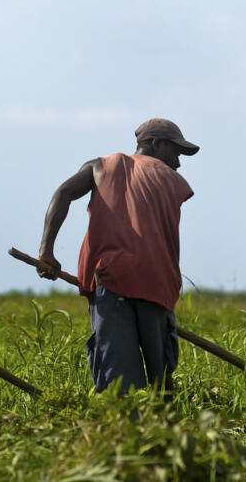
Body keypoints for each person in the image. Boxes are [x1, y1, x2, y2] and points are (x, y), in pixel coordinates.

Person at [36, 119, 198, 396]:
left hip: (111, 280)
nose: (178, 163)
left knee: (119, 384)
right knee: (162, 382)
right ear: (157, 144)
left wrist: (46, 251)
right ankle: (166, 416)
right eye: (176, 153)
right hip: (158, 284)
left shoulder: (101, 166)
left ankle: (125, 418)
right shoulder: (174, 181)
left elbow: (63, 193)